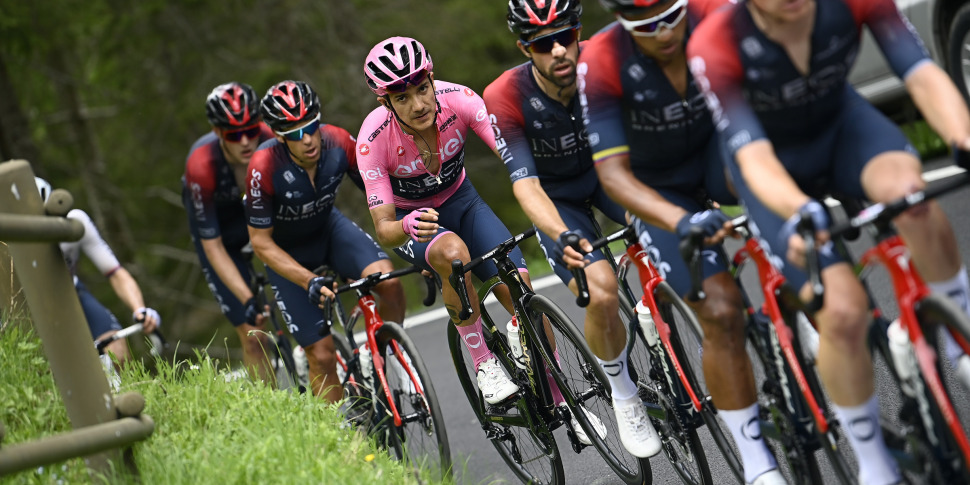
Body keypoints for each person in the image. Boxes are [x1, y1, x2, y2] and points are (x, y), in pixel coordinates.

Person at [686, 0, 970, 482]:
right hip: (770, 164)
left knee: (913, 197)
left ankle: (958, 341)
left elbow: (920, 71)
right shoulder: (715, 44)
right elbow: (753, 158)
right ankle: (873, 460)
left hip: (845, 130)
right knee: (840, 313)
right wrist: (798, 211)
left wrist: (962, 134)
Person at [358, 35, 605, 443]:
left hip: (463, 201)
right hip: (413, 221)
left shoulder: (461, 100)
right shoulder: (373, 140)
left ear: (432, 78)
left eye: (422, 89)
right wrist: (406, 226)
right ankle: (483, 362)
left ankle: (565, 402)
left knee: (524, 295)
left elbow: (512, 157)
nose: (418, 105)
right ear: (385, 102)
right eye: (402, 98)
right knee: (454, 256)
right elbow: (383, 228)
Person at [580, 0, 787, 483]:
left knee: (780, 212)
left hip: (721, 152)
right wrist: (678, 219)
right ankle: (757, 462)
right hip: (658, 187)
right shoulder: (604, 60)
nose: (665, 32)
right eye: (647, 25)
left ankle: (804, 311)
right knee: (718, 309)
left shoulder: (717, 13)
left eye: (672, 15)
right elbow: (612, 175)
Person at [484, 0, 660, 458]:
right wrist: (560, 234)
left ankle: (656, 305)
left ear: (580, 31)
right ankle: (624, 395)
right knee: (600, 289)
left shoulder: (605, 60)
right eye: (544, 43)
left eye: (567, 36)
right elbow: (526, 188)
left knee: (671, 227)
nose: (559, 50)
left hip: (612, 174)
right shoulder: (505, 95)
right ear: (525, 47)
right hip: (558, 198)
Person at [246, 80, 405, 403]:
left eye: (311, 127)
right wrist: (307, 280)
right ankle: (345, 444)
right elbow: (260, 244)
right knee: (321, 356)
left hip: (328, 231)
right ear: (278, 136)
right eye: (293, 133)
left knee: (387, 281)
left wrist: (419, 249)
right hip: (286, 255)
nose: (306, 140)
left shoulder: (339, 142)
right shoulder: (264, 166)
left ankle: (384, 355)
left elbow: (384, 201)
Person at [183, 82, 279, 384]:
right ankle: (271, 411)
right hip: (221, 237)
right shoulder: (201, 166)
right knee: (254, 335)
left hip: (264, 218)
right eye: (234, 135)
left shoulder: (271, 140)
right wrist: (246, 297)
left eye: (251, 129)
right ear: (217, 133)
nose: (246, 141)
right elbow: (212, 247)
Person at [35, 177, 160, 366]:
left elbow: (116, 273)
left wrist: (139, 309)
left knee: (117, 353)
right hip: (28, 308)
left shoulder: (75, 224)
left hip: (71, 294)